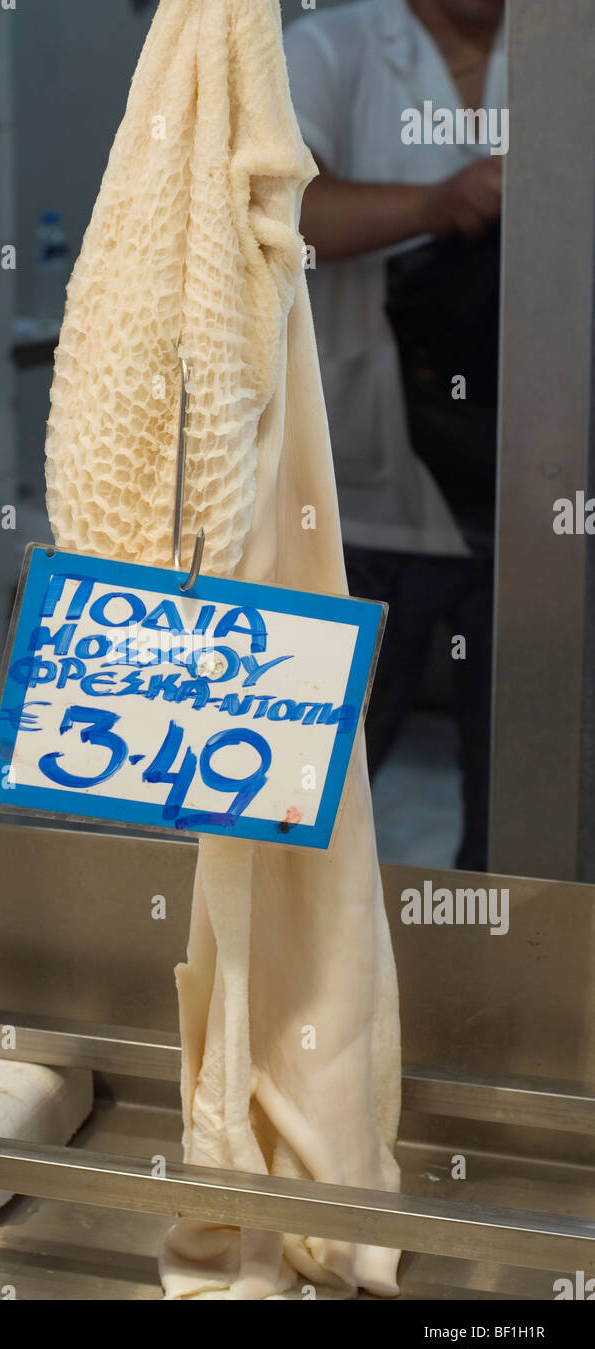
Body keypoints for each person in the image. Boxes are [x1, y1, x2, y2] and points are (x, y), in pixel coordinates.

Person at [285, 0, 505, 870]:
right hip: (355, 501)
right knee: (312, 815)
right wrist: (435, 203)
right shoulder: (332, 47)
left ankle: (506, 988)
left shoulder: (569, 51)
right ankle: (302, 1000)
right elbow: (276, 211)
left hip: (532, 503)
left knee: (530, 816)